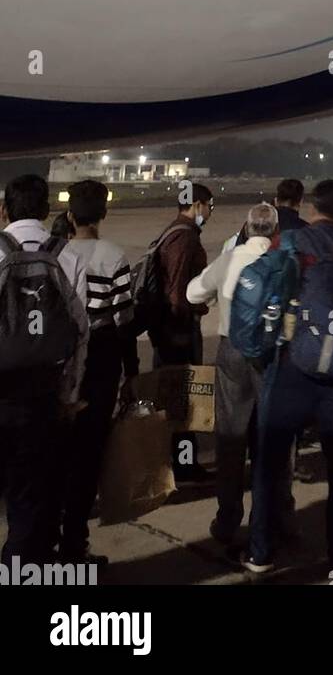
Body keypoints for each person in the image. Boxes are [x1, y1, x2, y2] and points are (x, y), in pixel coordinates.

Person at [245, 180, 333, 576]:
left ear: (312, 205)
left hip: (290, 366)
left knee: (269, 463)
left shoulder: (292, 241)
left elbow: (269, 295)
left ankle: (261, 553)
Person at [0, 174, 89, 565]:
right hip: (41, 398)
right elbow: (81, 334)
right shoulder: (66, 256)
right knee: (27, 500)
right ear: (47, 210)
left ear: (4, 210)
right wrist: (69, 396)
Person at [187, 201, 283, 551]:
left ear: (246, 228)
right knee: (270, 443)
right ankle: (269, 520)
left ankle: (227, 520)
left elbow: (193, 291)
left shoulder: (230, 258)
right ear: (274, 231)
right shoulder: (282, 263)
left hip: (232, 352)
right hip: (270, 357)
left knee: (230, 438)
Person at [57, 179, 140, 564]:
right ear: (103, 214)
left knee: (58, 449)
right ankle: (76, 539)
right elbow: (124, 318)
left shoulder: (56, 253)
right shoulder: (113, 254)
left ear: (70, 215)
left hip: (63, 359)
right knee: (89, 452)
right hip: (103, 357)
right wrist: (131, 370)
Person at [149, 183, 213, 481]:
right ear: (197, 205)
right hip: (179, 330)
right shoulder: (184, 238)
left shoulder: (173, 231)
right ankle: (184, 466)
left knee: (176, 402)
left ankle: (176, 463)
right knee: (185, 404)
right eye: (209, 206)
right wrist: (182, 326)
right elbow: (176, 292)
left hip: (172, 328)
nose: (210, 212)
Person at [226, 177, 305, 251]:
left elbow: (238, 249)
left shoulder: (254, 224)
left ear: (276, 201)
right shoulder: (306, 231)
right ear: (300, 202)